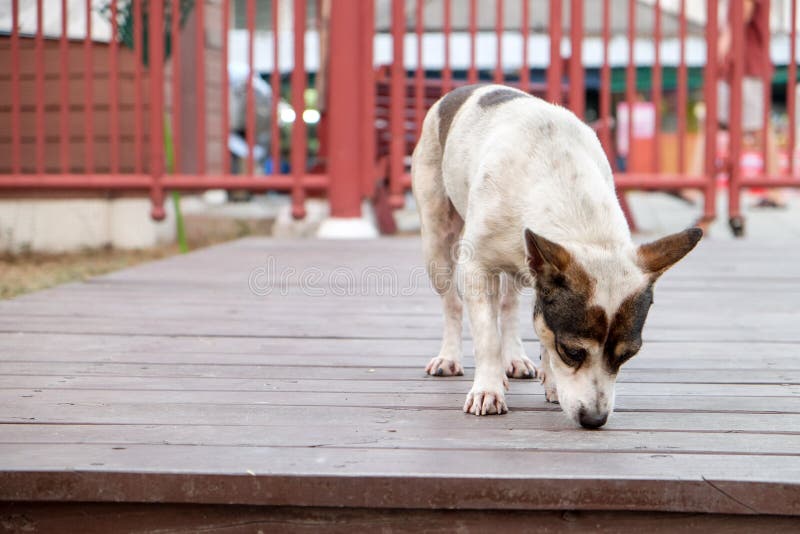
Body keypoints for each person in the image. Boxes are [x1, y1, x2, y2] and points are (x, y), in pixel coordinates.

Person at [717, 0, 785, 207]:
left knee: (759, 128)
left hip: (746, 65)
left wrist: (725, 42)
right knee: (714, 123)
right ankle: (693, 186)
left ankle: (775, 190)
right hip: (740, 65)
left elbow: (743, 10)